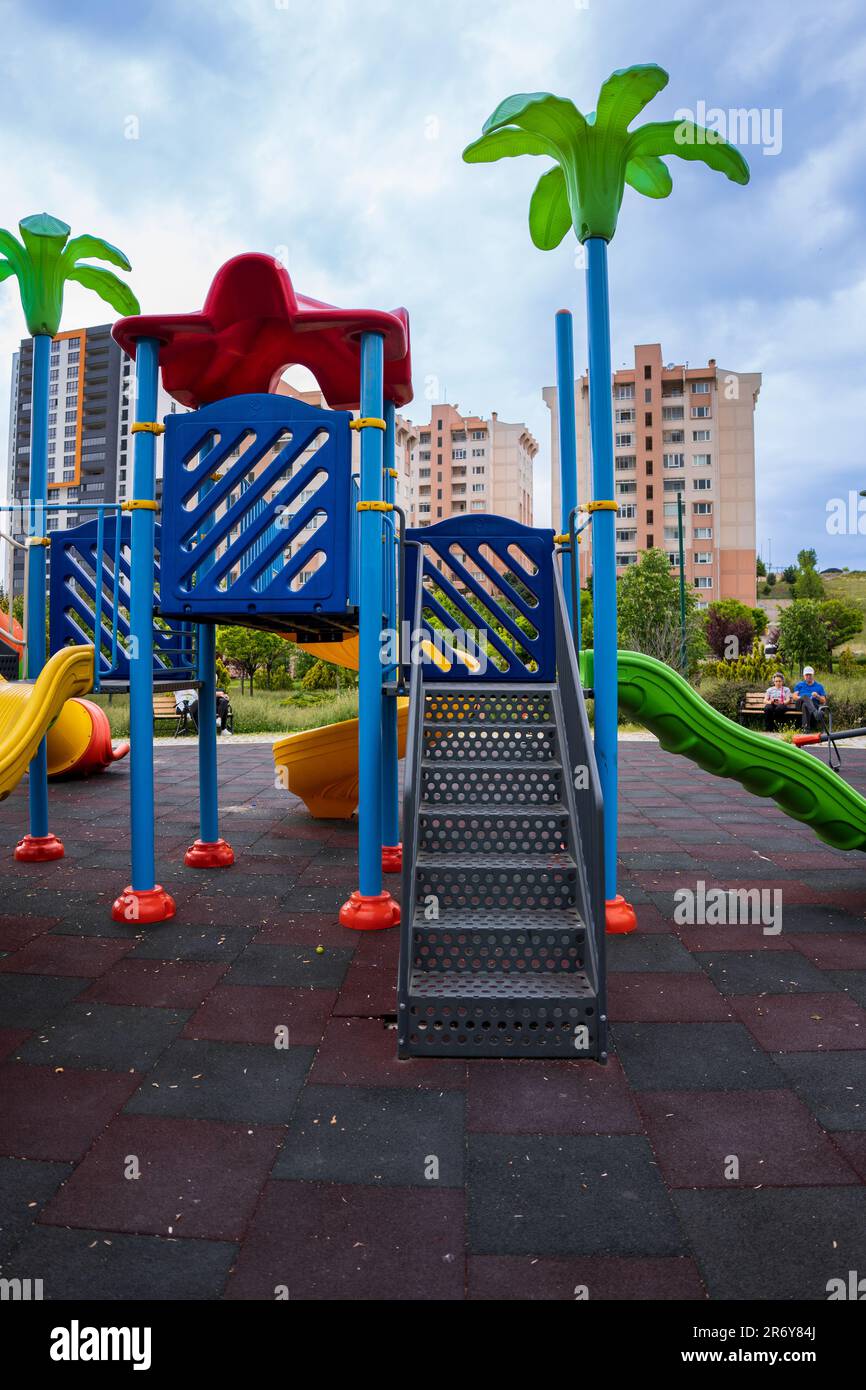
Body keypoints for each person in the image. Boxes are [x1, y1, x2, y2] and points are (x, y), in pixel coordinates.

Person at [792, 665, 827, 731]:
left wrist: (817, 696)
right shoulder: (799, 685)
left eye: (810, 675)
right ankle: (815, 713)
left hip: (813, 704)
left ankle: (806, 729)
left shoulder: (819, 686)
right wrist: (803, 697)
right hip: (800, 704)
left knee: (805, 705)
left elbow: (823, 701)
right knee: (805, 697)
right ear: (804, 676)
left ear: (813, 675)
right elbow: (794, 697)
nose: (808, 676)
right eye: (806, 675)